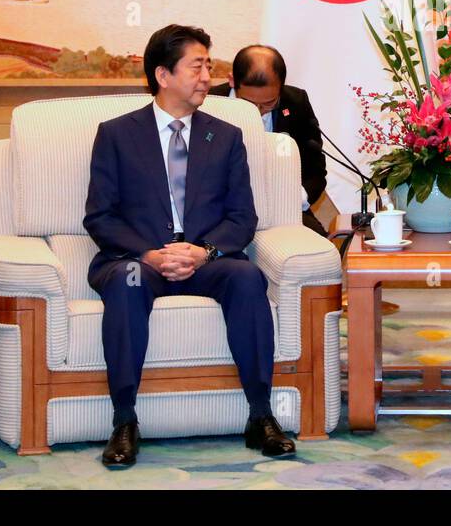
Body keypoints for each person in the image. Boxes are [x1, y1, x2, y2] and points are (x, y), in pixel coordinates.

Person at [84, 24, 295, 468]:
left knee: (247, 276)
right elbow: (100, 217)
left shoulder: (226, 135)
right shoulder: (117, 135)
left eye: (207, 66)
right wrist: (149, 253)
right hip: (139, 260)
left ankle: (261, 415)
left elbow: (243, 218)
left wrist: (205, 252)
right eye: (197, 66)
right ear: (163, 75)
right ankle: (124, 421)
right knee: (127, 280)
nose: (207, 77)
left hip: (207, 260)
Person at [214, 44, 332, 237]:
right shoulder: (211, 101)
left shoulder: (296, 102)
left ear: (281, 86)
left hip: (283, 208)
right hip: (224, 210)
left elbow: (315, 169)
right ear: (232, 80)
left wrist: (295, 199)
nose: (258, 111)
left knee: (320, 245)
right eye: (249, 103)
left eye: (269, 103)